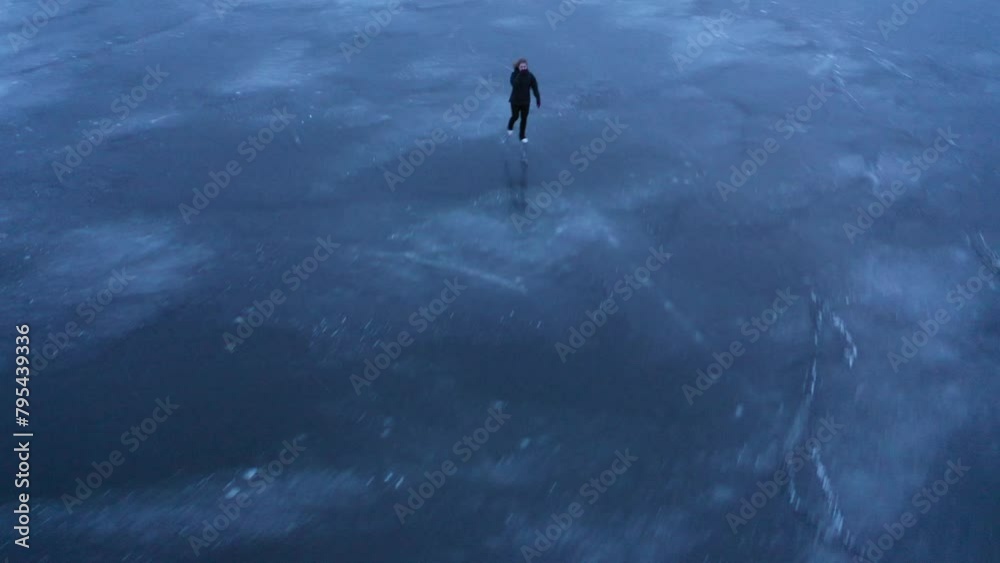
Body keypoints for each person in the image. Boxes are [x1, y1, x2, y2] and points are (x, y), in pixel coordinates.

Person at [507, 58, 540, 143]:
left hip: (525, 102)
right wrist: (520, 75)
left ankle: (522, 136)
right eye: (522, 67)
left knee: (524, 119)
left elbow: (535, 87)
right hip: (515, 101)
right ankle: (510, 126)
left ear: (527, 66)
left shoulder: (530, 76)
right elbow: (514, 84)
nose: (523, 68)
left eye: (525, 66)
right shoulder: (514, 74)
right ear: (518, 67)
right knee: (515, 116)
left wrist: (537, 98)